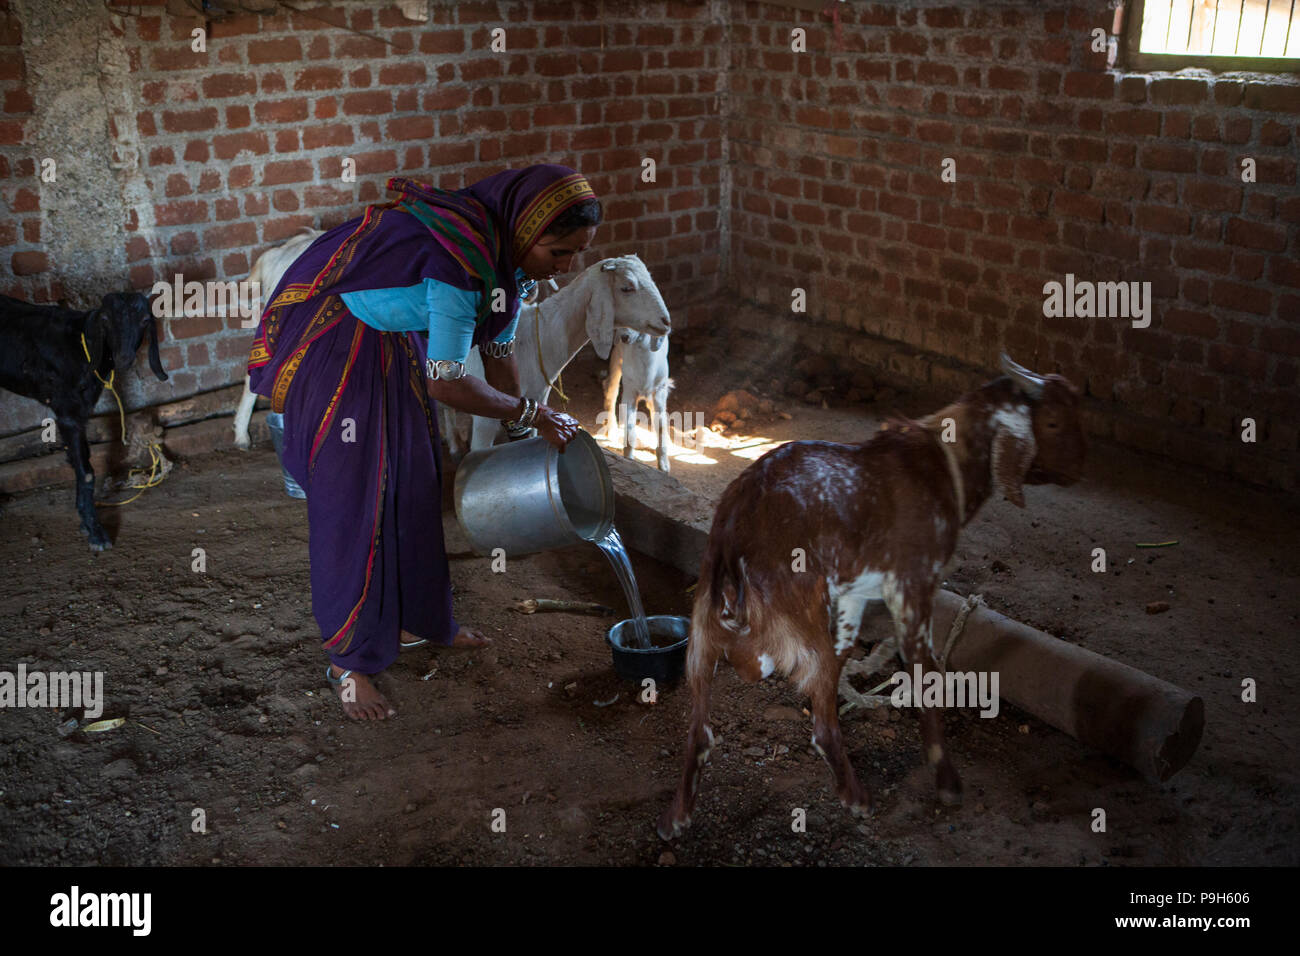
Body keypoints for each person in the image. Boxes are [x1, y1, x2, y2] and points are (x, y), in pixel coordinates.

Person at [247, 164, 597, 720]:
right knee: (354, 502)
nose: (566, 267)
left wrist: (525, 429)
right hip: (339, 352)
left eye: (576, 252)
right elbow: (448, 380)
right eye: (559, 252)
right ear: (527, 231)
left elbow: (501, 355)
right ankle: (348, 662)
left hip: (393, 346)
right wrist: (529, 411)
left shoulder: (506, 267)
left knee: (413, 481)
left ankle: (420, 619)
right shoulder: (461, 265)